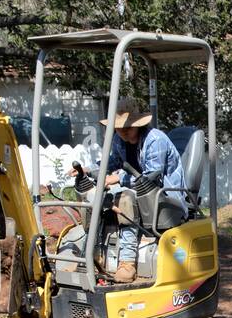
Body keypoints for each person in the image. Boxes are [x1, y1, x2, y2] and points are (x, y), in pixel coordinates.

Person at [79, 96, 186, 283]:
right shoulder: (119, 140)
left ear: (138, 124)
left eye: (127, 127)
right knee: (95, 196)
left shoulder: (155, 140)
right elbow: (113, 162)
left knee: (125, 199)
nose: (122, 132)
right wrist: (88, 169)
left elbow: (152, 177)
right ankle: (92, 255)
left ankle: (127, 263)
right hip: (141, 193)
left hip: (165, 197)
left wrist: (117, 178)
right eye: (118, 128)